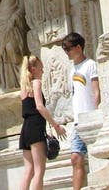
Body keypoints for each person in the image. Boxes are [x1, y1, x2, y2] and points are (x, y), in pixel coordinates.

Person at [19, 55, 67, 190]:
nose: (43, 71)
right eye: (41, 68)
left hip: (26, 129)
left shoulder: (23, 88)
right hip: (35, 127)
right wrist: (56, 126)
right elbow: (39, 107)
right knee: (39, 170)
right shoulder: (36, 83)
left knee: (28, 171)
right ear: (33, 69)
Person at [61, 32, 100, 190]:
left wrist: (96, 112)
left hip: (90, 117)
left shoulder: (91, 65)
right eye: (65, 49)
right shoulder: (72, 70)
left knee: (96, 156)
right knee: (75, 157)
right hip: (78, 120)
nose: (67, 52)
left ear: (78, 47)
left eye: (68, 48)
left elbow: (96, 91)